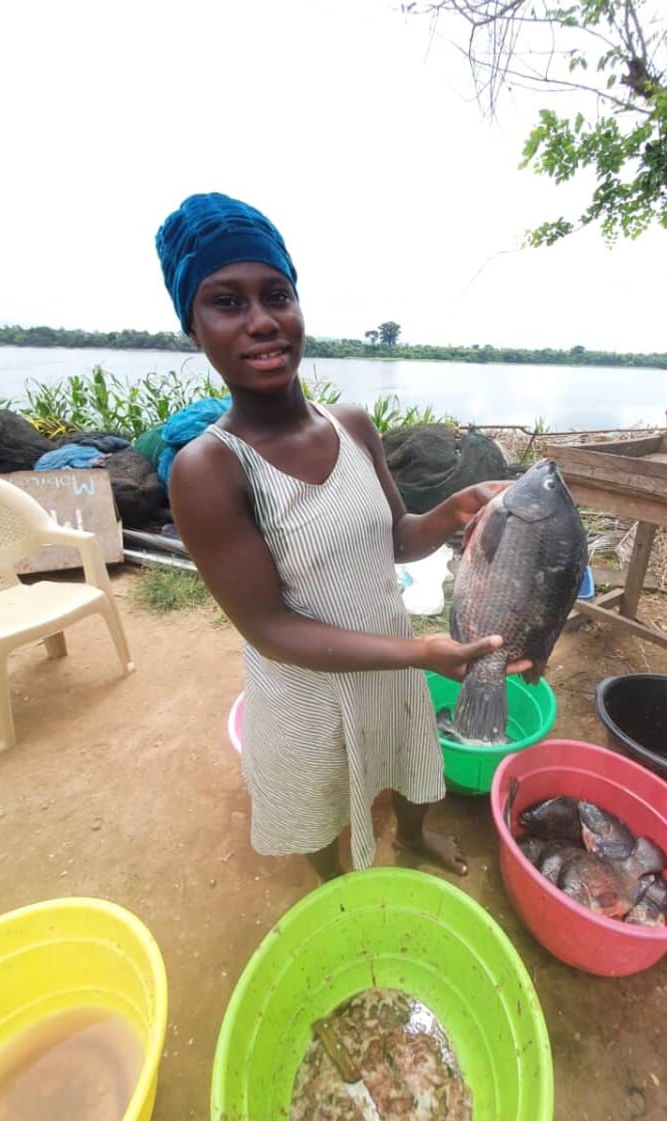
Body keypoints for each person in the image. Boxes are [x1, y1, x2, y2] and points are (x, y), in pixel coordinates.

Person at [155, 192, 529, 882]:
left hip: (389, 659)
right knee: (319, 805)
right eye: (226, 302)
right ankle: (336, 885)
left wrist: (456, 507)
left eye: (276, 294)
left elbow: (397, 540)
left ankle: (413, 838)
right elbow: (270, 627)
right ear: (193, 325)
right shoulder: (208, 469)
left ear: (298, 303)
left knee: (412, 763)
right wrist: (420, 650)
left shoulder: (352, 423)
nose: (262, 321)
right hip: (307, 689)